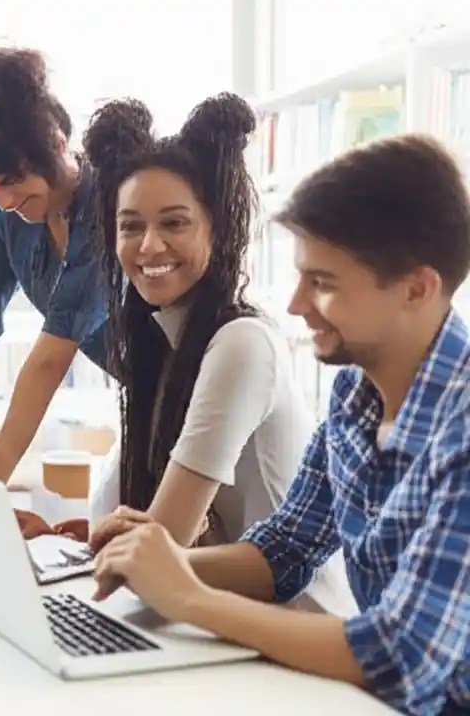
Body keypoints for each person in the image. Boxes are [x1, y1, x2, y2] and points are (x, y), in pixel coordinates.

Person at [92, 134, 470, 715]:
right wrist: (148, 564)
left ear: (416, 289)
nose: (295, 304)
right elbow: (285, 549)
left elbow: (402, 655)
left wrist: (189, 596)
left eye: (322, 282)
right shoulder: (355, 393)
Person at [23, 94, 350, 615]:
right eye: (130, 225)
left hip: (288, 633)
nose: (149, 246)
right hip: (212, 623)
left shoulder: (241, 343)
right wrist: (59, 536)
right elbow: (128, 521)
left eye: (174, 223)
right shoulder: (161, 345)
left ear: (216, 230)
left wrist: (129, 538)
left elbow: (160, 544)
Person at [0, 46, 110, 483]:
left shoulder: (108, 209)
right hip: (147, 403)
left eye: (12, 182)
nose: (5, 201)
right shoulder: (7, 223)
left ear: (58, 145)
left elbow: (48, 364)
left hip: (200, 390)